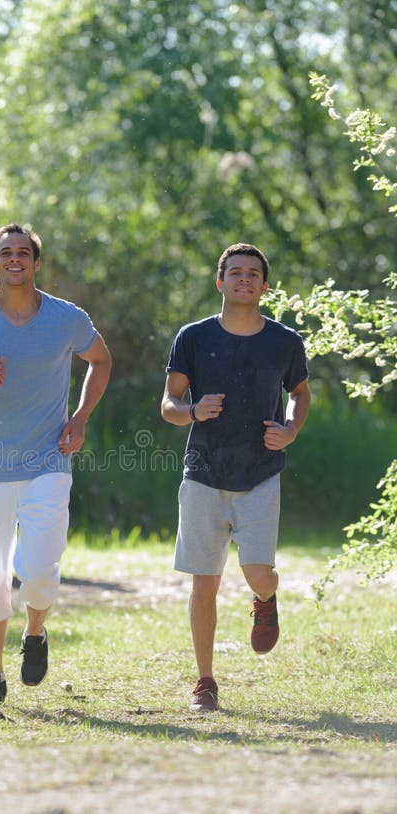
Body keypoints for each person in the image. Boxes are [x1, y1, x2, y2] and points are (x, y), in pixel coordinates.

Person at [0, 223, 111, 702]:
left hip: (48, 460)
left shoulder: (65, 318)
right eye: (5, 252)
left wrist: (79, 418)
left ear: (36, 263)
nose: (15, 258)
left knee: (38, 567)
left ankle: (35, 632)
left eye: (24, 252)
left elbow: (101, 360)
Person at [161, 243, 310, 714]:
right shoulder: (193, 337)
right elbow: (168, 404)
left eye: (253, 274)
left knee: (256, 572)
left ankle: (265, 599)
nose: (244, 279)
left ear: (265, 287)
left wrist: (290, 429)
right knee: (204, 583)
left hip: (261, 474)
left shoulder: (284, 341)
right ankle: (205, 682)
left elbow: (300, 395)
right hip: (204, 472)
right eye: (236, 272)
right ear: (219, 281)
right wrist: (192, 410)